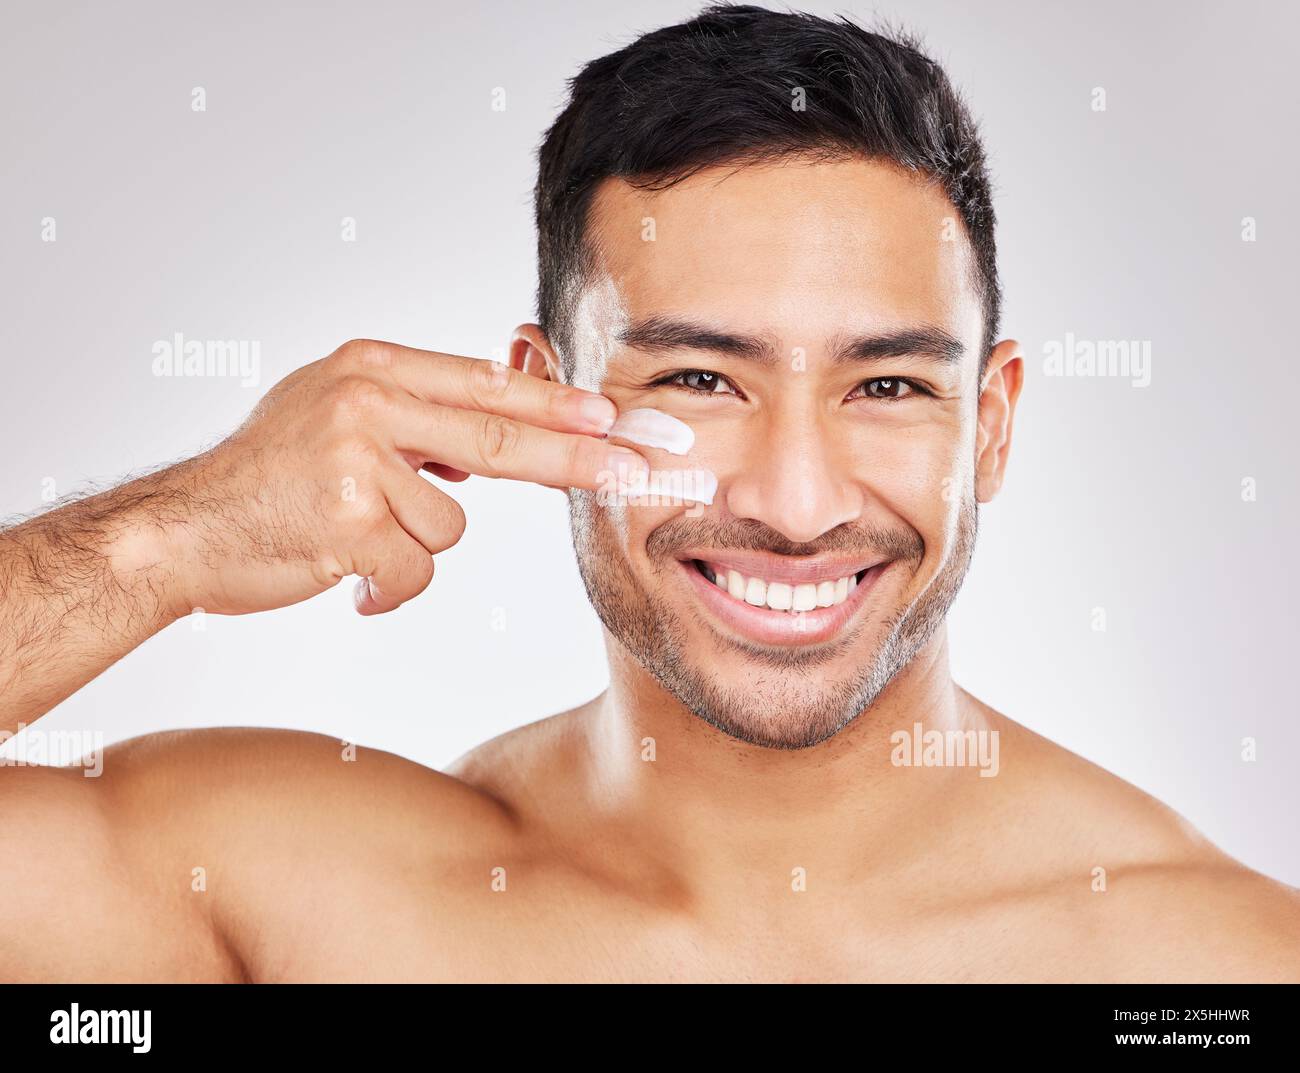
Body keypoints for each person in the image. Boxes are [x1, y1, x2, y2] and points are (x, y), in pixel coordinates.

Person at [2, 4, 1296, 982]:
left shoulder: (1209, 967)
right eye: (699, 378)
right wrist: (158, 542)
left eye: (888, 385)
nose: (795, 503)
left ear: (992, 425)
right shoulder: (309, 903)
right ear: (535, 393)